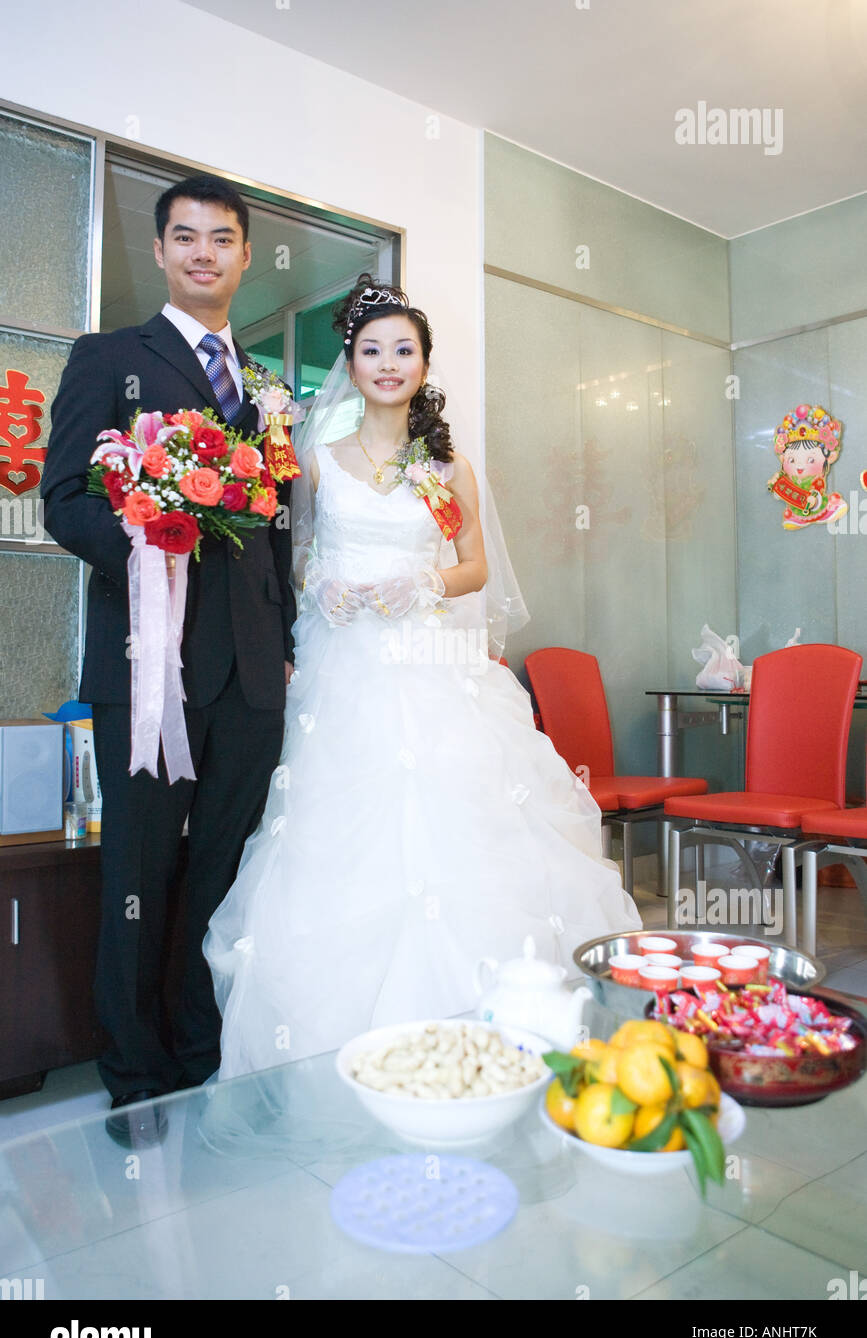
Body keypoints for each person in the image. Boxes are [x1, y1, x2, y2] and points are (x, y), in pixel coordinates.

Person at [203, 274, 642, 1078]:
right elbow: (288, 560)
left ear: (424, 363)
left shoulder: (443, 466)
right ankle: (340, 1052)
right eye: (372, 349)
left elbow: (477, 568)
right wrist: (320, 585)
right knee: (333, 830)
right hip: (340, 663)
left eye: (403, 349)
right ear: (351, 361)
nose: (387, 362)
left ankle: (485, 1046)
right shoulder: (316, 460)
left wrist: (422, 583)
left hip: (429, 658)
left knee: (459, 818)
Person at [40, 176, 296, 1146]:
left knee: (220, 871)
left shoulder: (267, 387)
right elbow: (65, 500)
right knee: (140, 870)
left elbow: (276, 531)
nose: (203, 253)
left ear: (242, 255)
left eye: (221, 239)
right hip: (150, 667)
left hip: (250, 675)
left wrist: (289, 646)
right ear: (159, 253)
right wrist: (159, 544)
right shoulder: (109, 357)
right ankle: (136, 1074)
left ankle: (200, 1050)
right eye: (184, 237)